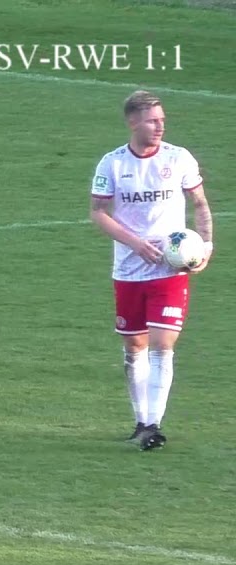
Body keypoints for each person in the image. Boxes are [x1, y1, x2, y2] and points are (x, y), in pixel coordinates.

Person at [89, 90, 213, 450]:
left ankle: (154, 424)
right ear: (133, 122)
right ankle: (141, 420)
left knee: (162, 345)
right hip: (128, 269)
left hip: (169, 270)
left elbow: (201, 205)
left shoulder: (179, 158)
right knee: (135, 346)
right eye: (152, 120)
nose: (160, 126)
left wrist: (205, 247)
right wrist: (135, 243)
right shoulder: (111, 164)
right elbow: (98, 211)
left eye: (162, 120)